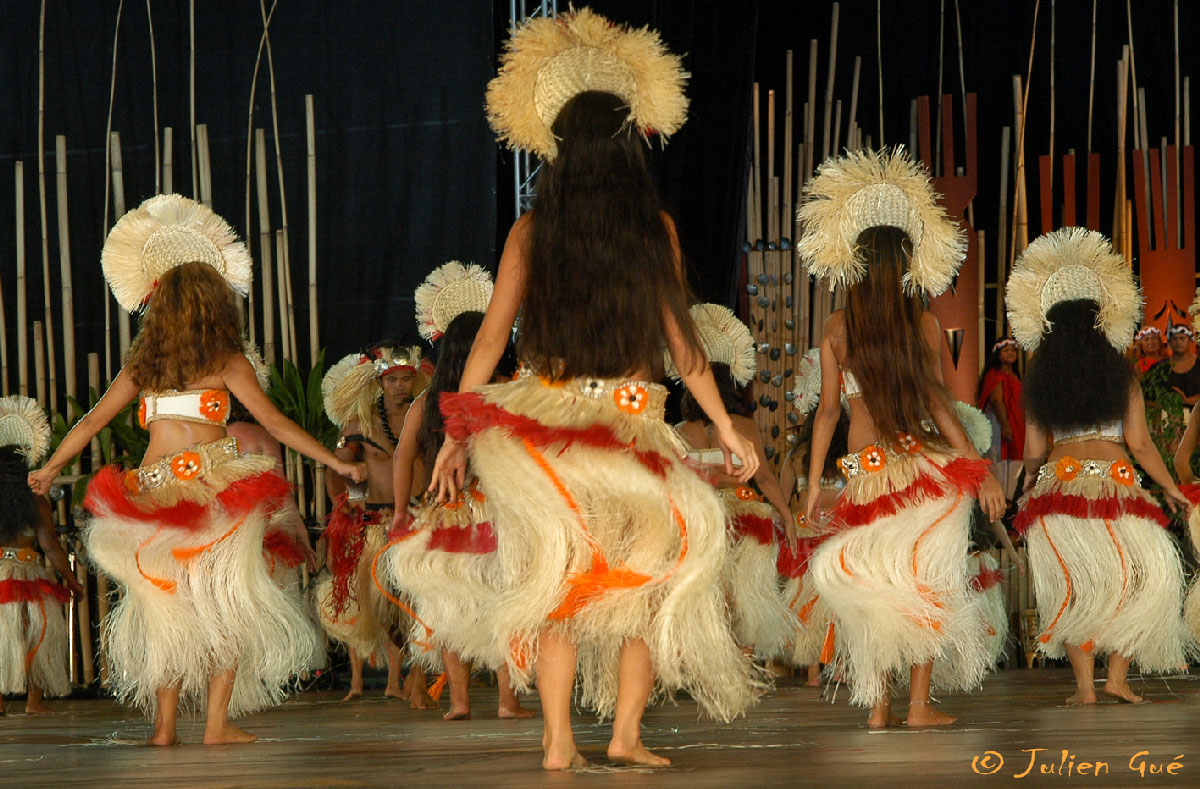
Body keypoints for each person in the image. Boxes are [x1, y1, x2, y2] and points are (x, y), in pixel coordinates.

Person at [429, 9, 761, 770]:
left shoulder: (530, 232)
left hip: (548, 434)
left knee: (563, 587)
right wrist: (729, 430)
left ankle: (556, 741)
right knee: (641, 586)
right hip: (635, 430)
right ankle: (625, 735)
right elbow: (687, 351)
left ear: (560, 153)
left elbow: (487, 345)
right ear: (629, 149)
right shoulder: (659, 232)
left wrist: (458, 432)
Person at [29, 195, 363, 745]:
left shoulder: (143, 365)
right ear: (212, 304)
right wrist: (332, 462)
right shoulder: (225, 359)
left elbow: (89, 423)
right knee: (226, 600)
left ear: (159, 307)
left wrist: (49, 469)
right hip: (213, 488)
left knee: (170, 608)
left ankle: (163, 729)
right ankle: (215, 725)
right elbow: (276, 425)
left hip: (154, 492)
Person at [798, 148, 1005, 729]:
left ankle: (882, 706)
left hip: (866, 474)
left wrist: (816, 486)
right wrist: (979, 468)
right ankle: (916, 706)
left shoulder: (838, 327)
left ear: (857, 262)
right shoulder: (923, 325)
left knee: (880, 583)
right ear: (908, 261)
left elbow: (826, 414)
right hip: (920, 471)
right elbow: (941, 406)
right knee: (921, 578)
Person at [1008, 227, 1191, 705]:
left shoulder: (1040, 376)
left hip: (1059, 484)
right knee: (1135, 580)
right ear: (1099, 316)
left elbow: (1032, 448)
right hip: (1117, 482)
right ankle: (1117, 677)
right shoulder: (1120, 370)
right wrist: (1170, 486)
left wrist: (1026, 484)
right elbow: (1142, 443)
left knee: (1071, 582)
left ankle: (1086, 688)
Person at [380, 260, 532, 721]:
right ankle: (507, 702)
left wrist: (401, 511)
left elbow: (402, 456)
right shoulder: (508, 390)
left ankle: (460, 702)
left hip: (443, 511)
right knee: (507, 601)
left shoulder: (428, 401)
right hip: (500, 513)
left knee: (447, 605)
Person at [674, 304, 796, 660]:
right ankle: (742, 657)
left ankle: (712, 656)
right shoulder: (743, 427)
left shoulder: (683, 432)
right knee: (744, 590)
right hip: (746, 516)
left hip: (703, 518)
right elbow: (766, 478)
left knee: (711, 589)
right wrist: (786, 515)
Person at [315, 344, 430, 705]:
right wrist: (346, 501)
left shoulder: (425, 416)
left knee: (421, 601)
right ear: (380, 382)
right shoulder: (361, 422)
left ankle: (417, 677)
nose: (399, 386)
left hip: (421, 519)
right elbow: (337, 467)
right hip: (378, 524)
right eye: (392, 379)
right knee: (389, 608)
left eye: (406, 379)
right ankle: (404, 678)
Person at [0, 396, 82, 715]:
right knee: (34, 633)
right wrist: (72, 580)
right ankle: (34, 702)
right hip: (27, 572)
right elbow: (50, 546)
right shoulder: (36, 502)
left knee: (5, 636)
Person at [977, 338, 1024, 499]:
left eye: (1013, 350)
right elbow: (996, 401)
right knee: (998, 459)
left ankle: (1009, 498)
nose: (1011, 353)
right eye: (1006, 350)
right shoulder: (994, 374)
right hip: (998, 423)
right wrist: (1005, 425)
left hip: (1014, 424)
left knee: (1013, 463)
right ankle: (999, 498)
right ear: (998, 354)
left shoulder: (1016, 376)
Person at [1159, 325, 1200, 406]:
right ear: (1169, 343)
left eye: (1182, 338)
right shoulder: (1159, 367)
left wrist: (1187, 401)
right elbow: (1146, 398)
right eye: (1174, 339)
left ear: (1190, 340)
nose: (1178, 341)